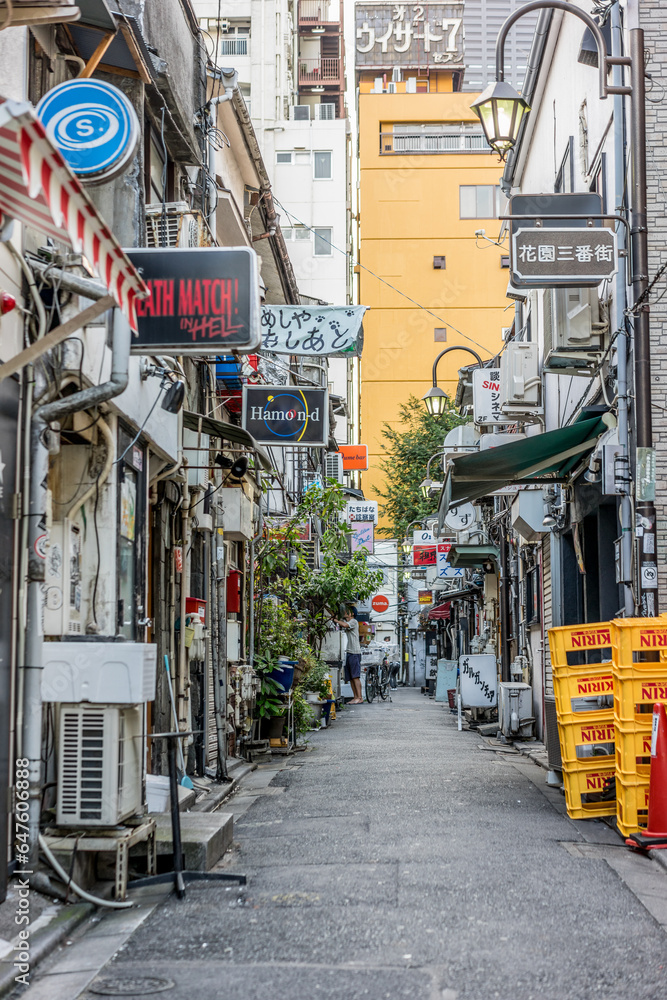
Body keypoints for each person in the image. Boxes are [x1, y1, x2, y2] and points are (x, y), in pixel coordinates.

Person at [337, 607, 363, 704]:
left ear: (351, 613)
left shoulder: (354, 621)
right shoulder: (347, 621)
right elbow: (343, 622)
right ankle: (355, 697)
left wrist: (334, 619)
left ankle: (359, 697)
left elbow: (344, 624)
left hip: (355, 652)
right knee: (351, 677)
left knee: (355, 676)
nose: (344, 612)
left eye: (346, 611)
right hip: (349, 652)